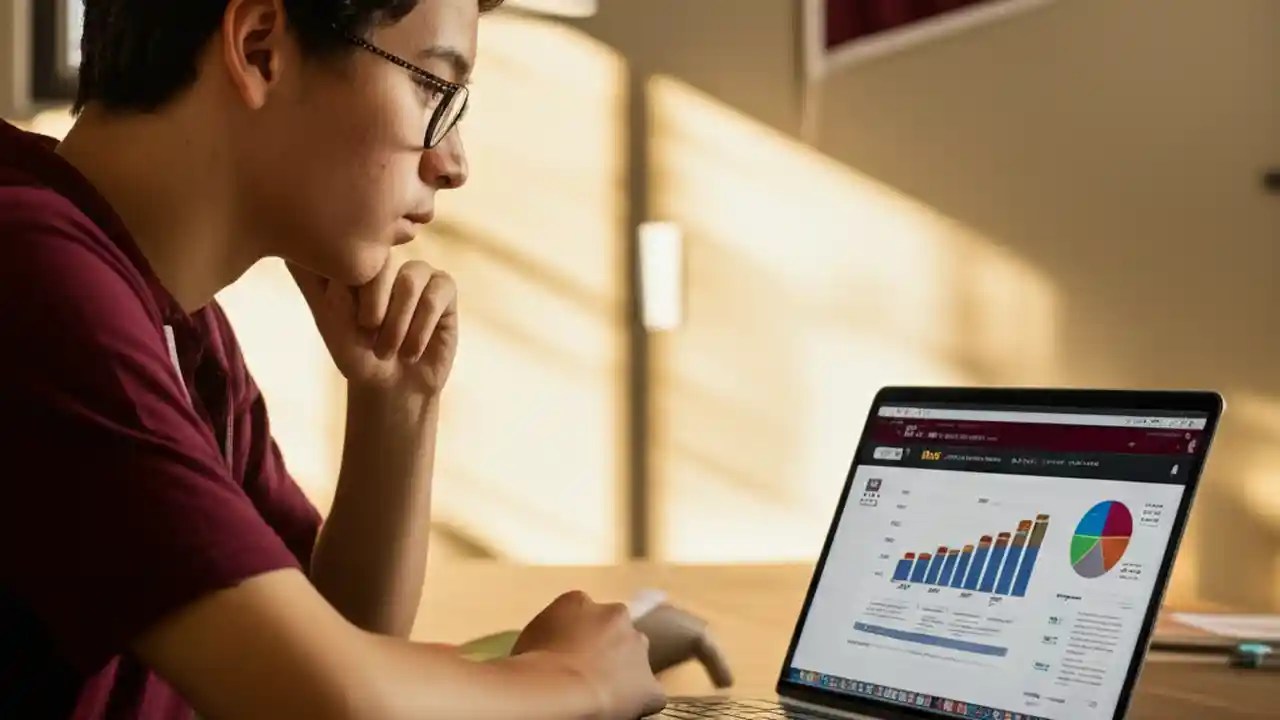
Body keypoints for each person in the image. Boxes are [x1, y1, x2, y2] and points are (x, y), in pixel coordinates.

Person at [0, 1, 666, 718]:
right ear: (259, 50)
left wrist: (396, 402)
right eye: (432, 89)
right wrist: (575, 681)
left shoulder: (188, 333)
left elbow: (333, 641)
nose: (453, 163)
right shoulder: (32, 272)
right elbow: (328, 703)